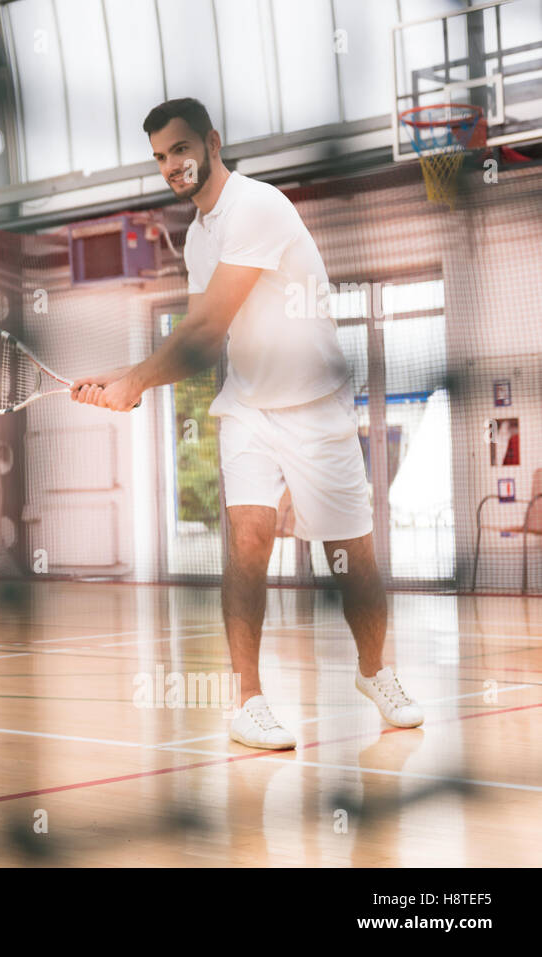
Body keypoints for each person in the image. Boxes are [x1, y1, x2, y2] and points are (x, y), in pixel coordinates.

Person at [73, 98, 423, 748]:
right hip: (249, 406)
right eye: (158, 157)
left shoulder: (257, 207)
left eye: (179, 149)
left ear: (211, 140)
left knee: (353, 556)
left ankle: (376, 672)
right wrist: (123, 375)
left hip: (317, 405)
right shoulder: (197, 238)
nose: (171, 165)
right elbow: (202, 334)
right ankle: (248, 699)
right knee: (247, 540)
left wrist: (136, 382)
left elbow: (203, 335)